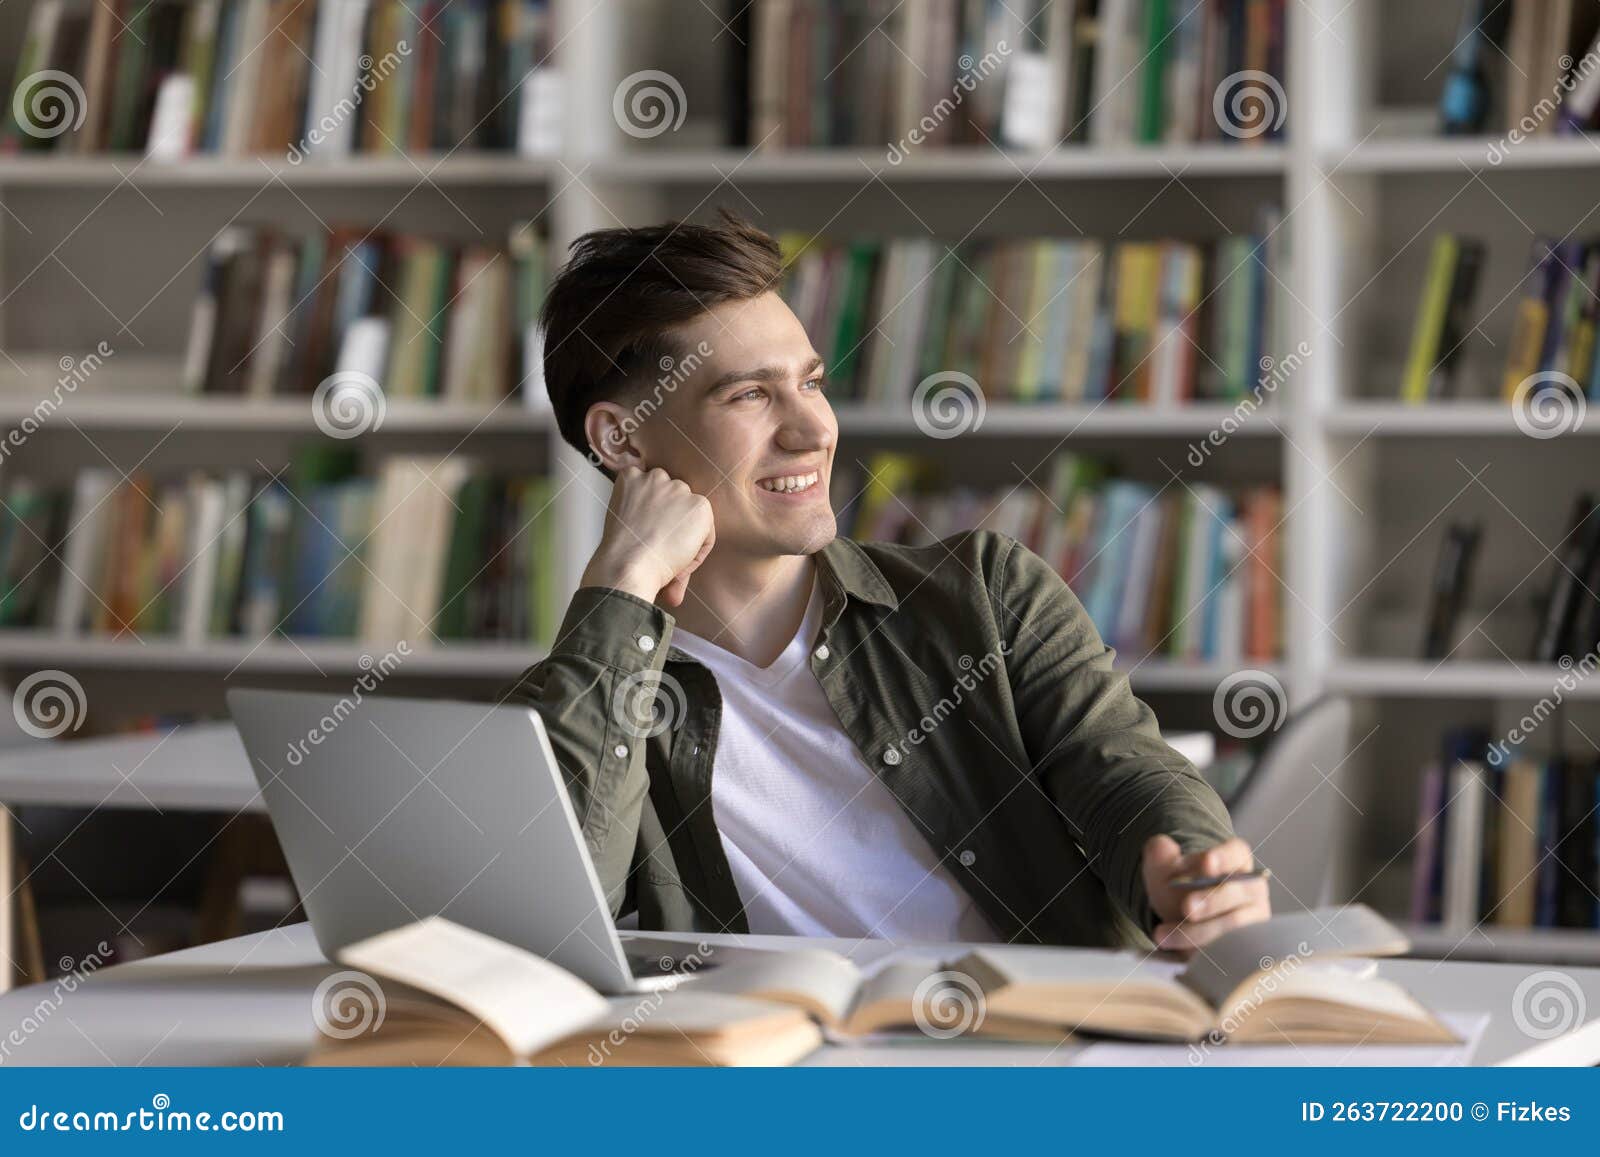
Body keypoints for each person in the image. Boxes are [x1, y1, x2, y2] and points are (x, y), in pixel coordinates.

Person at [505, 211, 1270, 951]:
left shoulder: (984, 593)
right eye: (750, 394)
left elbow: (1123, 771)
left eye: (812, 382)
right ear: (621, 439)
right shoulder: (589, 700)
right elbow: (552, 920)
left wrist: (1195, 869)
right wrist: (621, 583)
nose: (813, 430)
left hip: (1039, 1047)